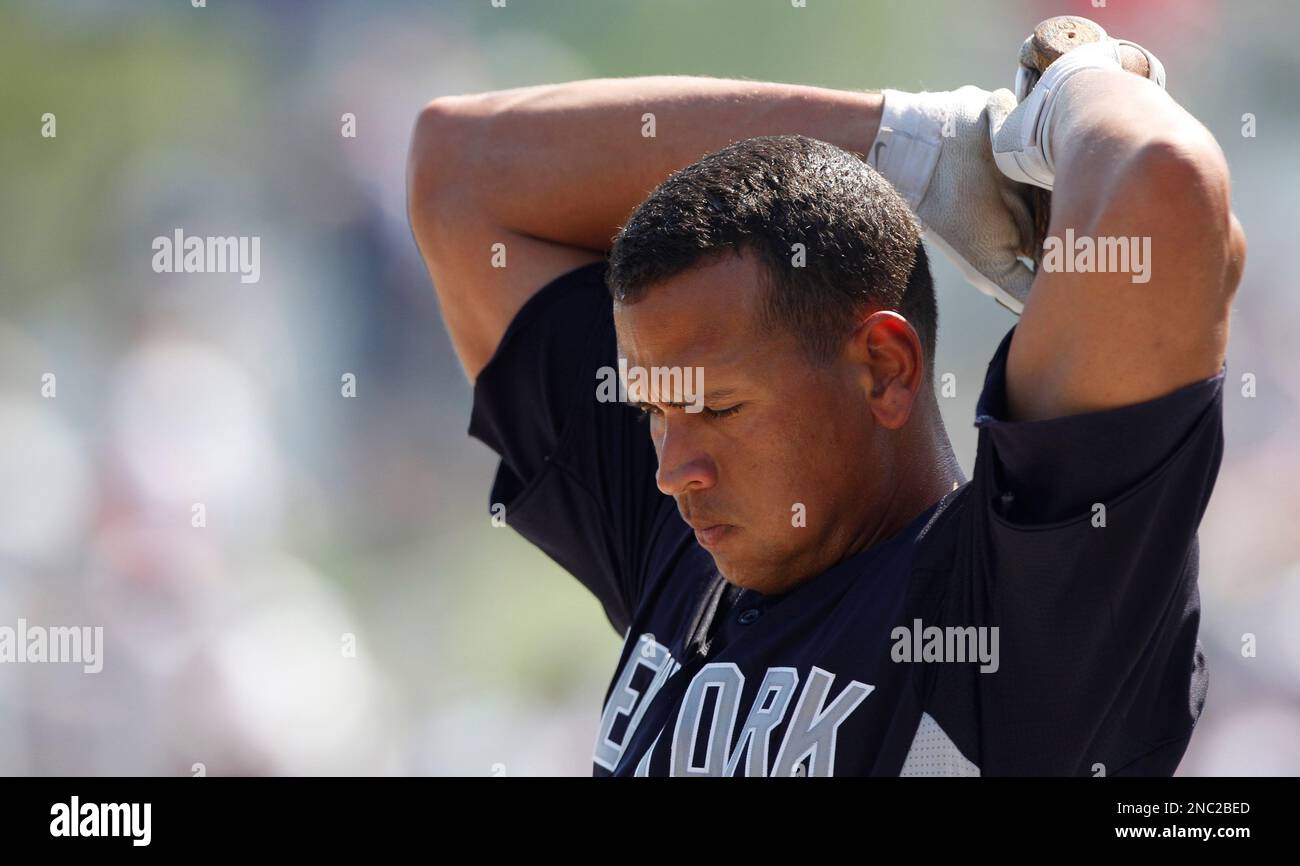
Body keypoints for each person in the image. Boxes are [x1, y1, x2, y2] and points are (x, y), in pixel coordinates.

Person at [406, 33, 1246, 775]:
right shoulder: (695, 546)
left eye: (719, 408)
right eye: (652, 412)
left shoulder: (1012, 611)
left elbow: (1163, 183)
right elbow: (459, 172)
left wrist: (1087, 85)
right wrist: (932, 154)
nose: (669, 471)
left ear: (883, 368)